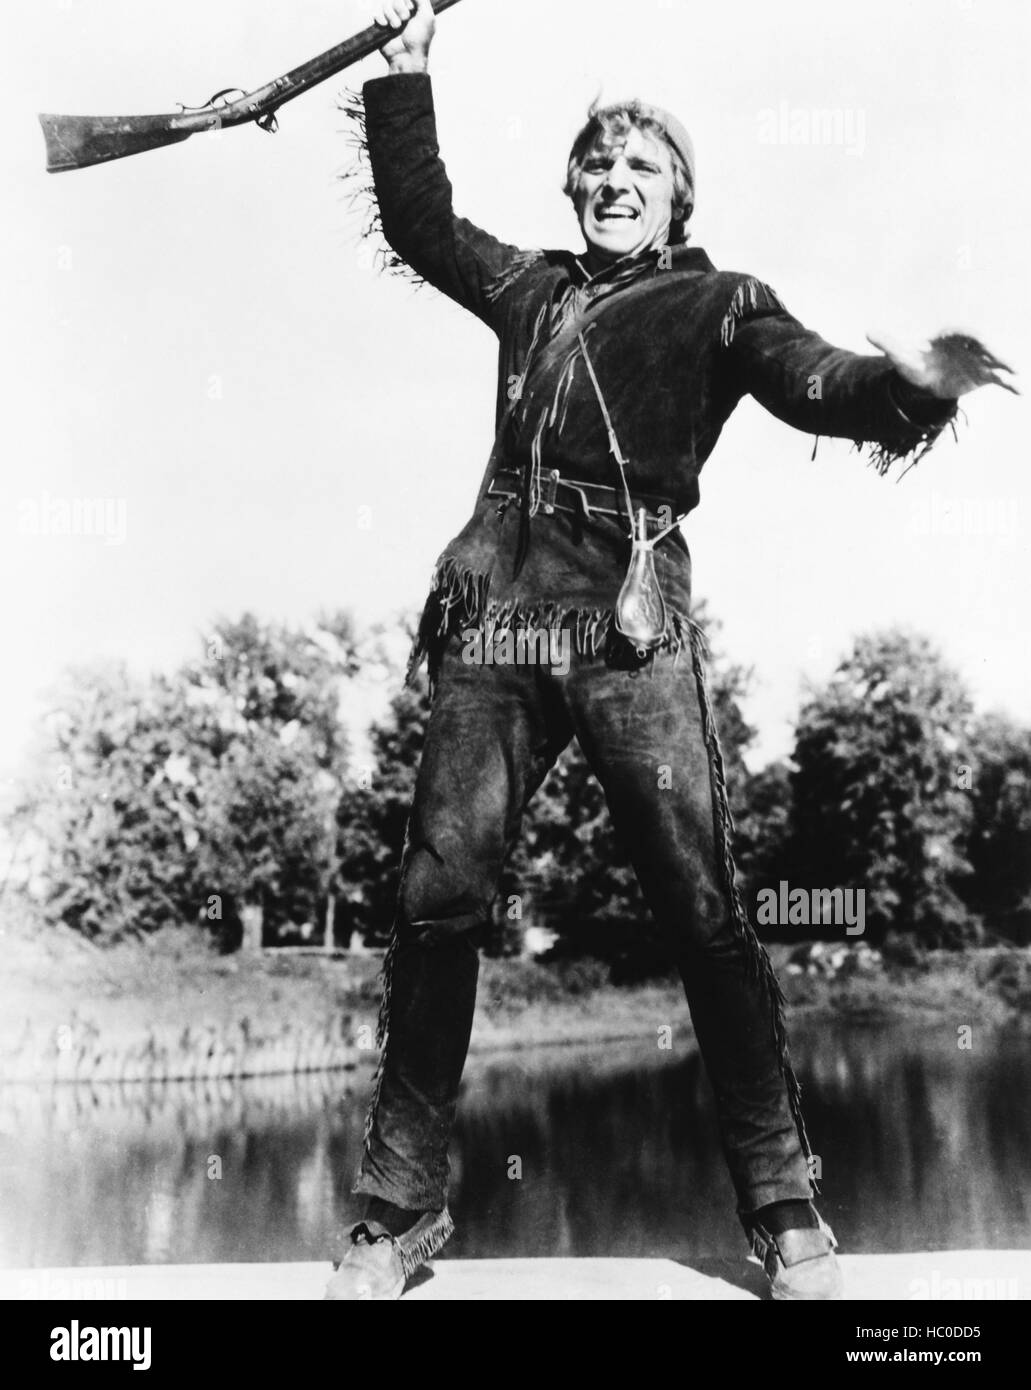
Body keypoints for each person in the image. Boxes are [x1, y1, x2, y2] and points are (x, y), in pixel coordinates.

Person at [325, 0, 1015, 1301]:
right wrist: (405, 76)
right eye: (596, 167)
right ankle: (397, 1212)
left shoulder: (718, 300)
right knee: (439, 896)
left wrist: (913, 383)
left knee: (701, 906)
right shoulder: (528, 286)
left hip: (626, 600)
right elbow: (421, 224)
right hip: (496, 595)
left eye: (640, 170)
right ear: (574, 187)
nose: (613, 185)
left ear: (677, 194)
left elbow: (818, 380)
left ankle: (784, 1206)